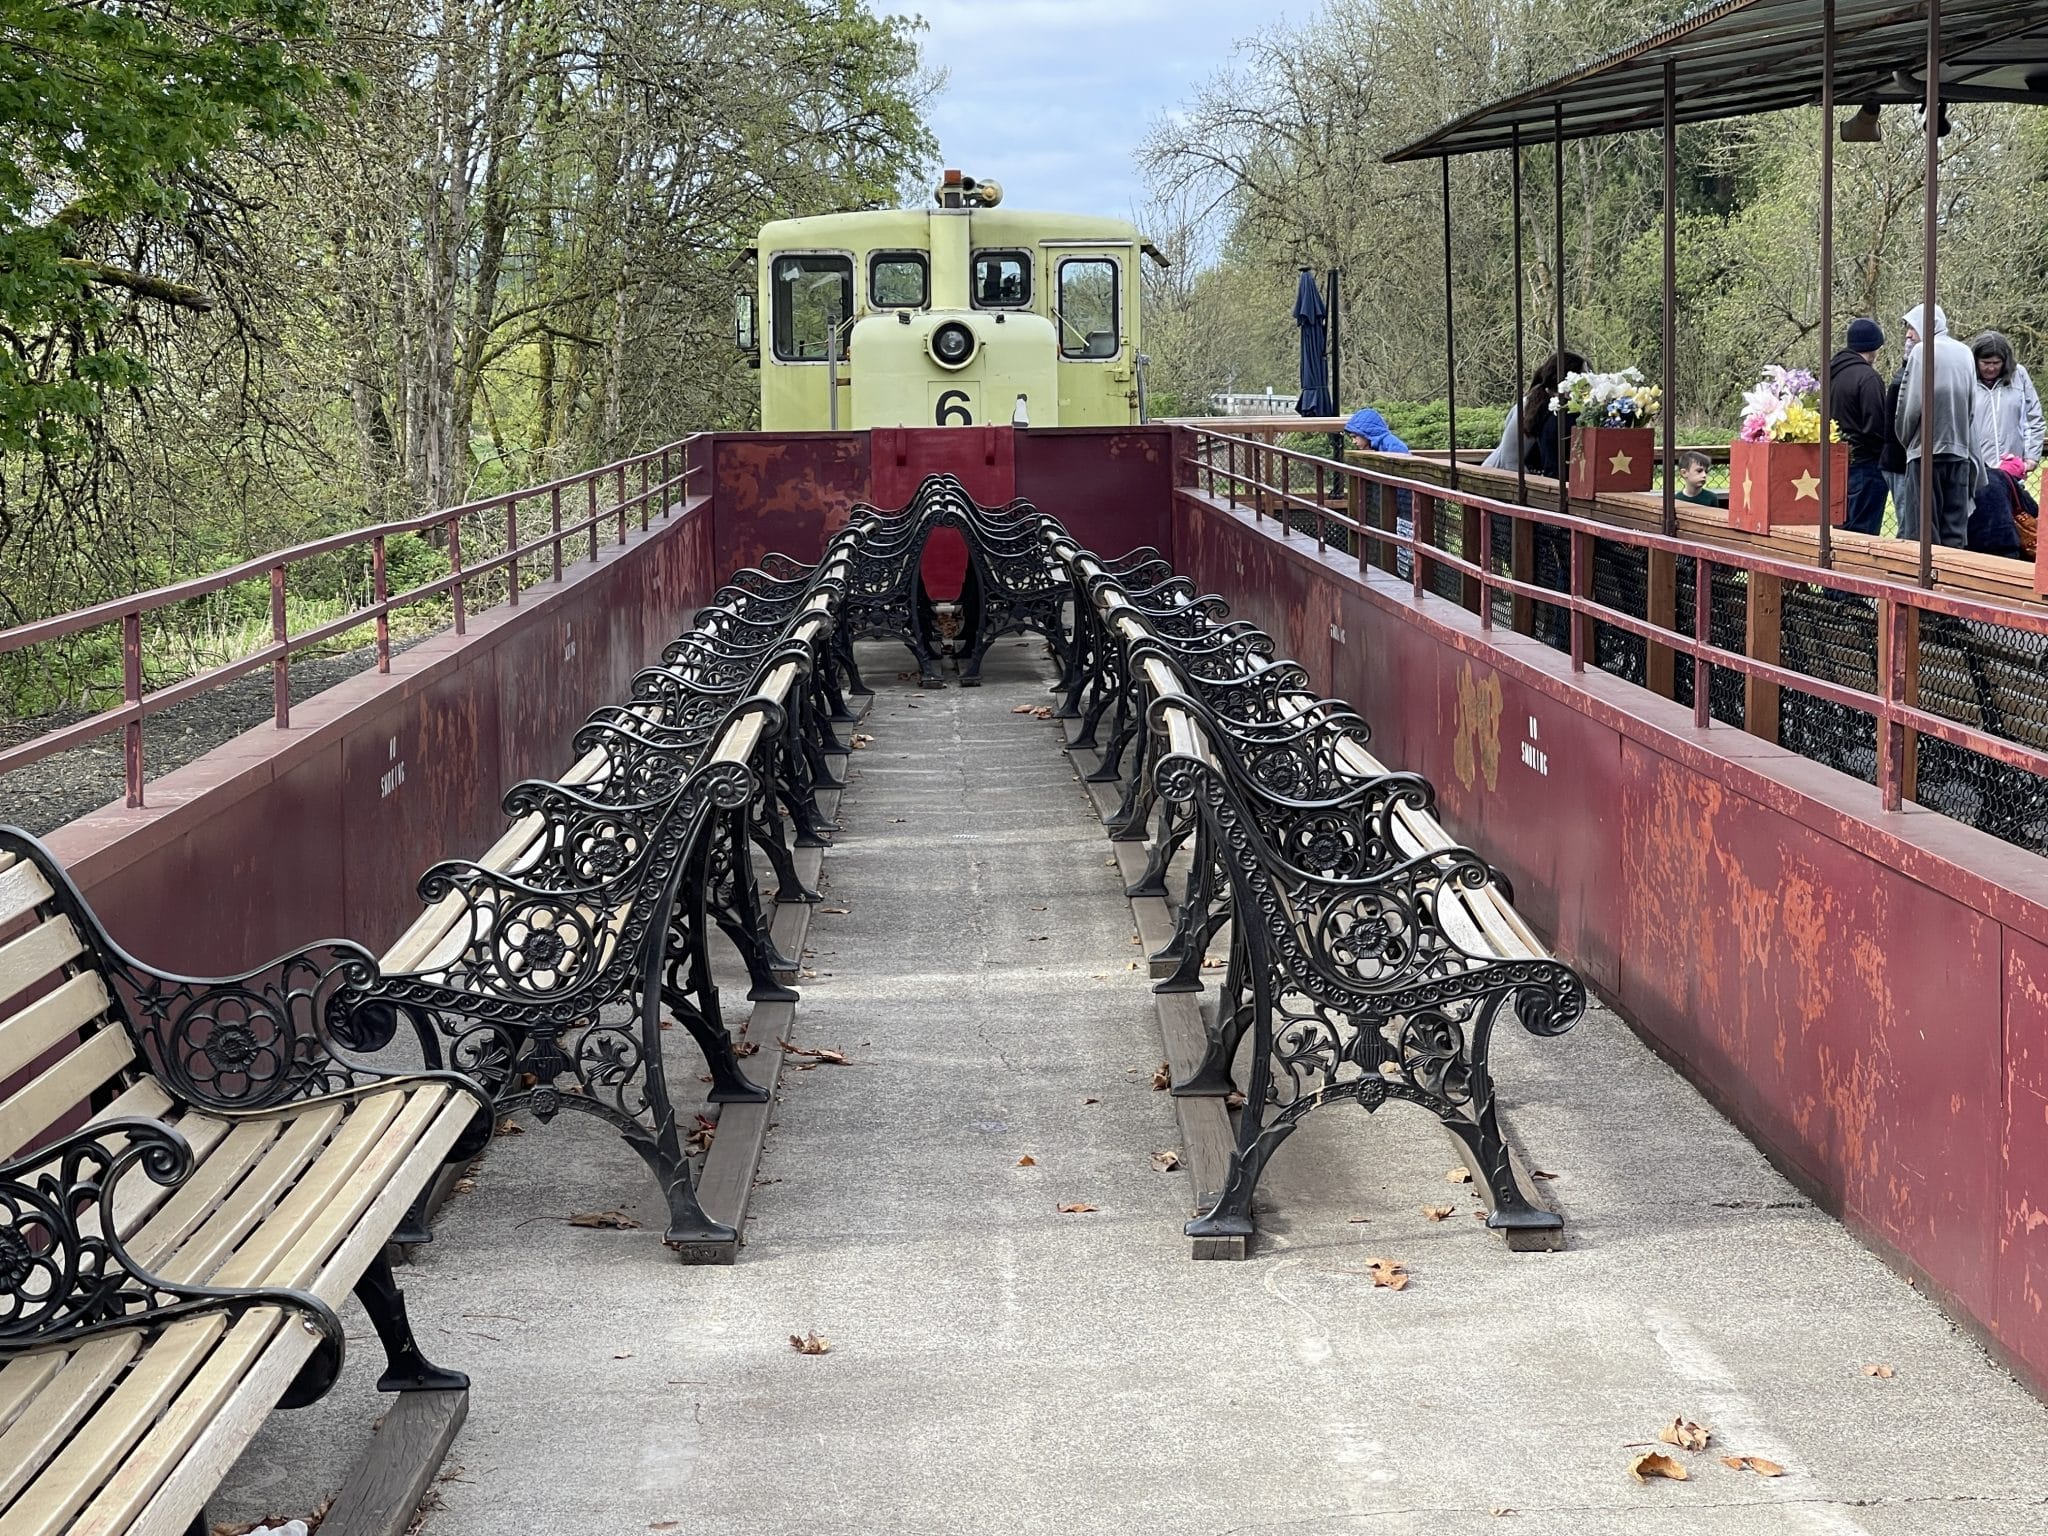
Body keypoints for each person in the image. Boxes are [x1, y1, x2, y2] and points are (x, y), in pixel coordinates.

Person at [1893, 303, 1978, 548]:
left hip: (1925, 451)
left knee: (1922, 530)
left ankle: (1923, 583)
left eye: (1911, 326)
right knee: (1954, 527)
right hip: (1959, 450)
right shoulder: (1964, 352)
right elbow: (1971, 403)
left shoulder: (1922, 352)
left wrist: (1907, 439)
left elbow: (1910, 404)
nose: (1908, 333)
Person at [1828, 317, 1889, 534]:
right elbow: (1876, 426)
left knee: (1840, 530)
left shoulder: (1831, 374)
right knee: (1863, 534)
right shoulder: (1868, 378)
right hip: (1865, 465)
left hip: (1836, 462)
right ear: (1873, 348)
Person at [1344, 407, 1413, 577]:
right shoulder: (1378, 447)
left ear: (1367, 433)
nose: (1354, 442)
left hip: (1403, 508)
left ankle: (1405, 576)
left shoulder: (1392, 446)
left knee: (1405, 548)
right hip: (1393, 507)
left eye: (1355, 437)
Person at [1969, 331, 2044, 477]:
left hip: (2012, 472)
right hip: (1976, 474)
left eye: (1996, 363)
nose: (1991, 368)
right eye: (1986, 363)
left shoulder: (2019, 375)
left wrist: (2031, 457)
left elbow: (2033, 417)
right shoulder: (1965, 379)